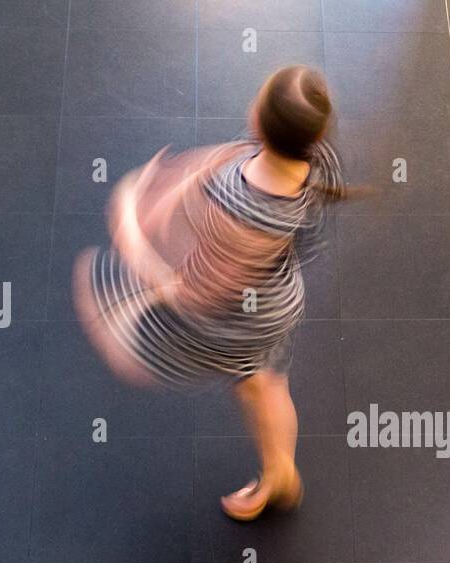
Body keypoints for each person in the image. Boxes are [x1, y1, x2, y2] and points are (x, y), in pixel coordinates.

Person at [73, 65, 350, 521]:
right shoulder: (319, 163)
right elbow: (300, 237)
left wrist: (132, 241)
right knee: (265, 383)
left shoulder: (233, 200)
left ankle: (279, 472)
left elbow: (200, 289)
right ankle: (281, 471)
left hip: (243, 318)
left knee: (252, 382)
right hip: (279, 299)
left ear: (258, 118)